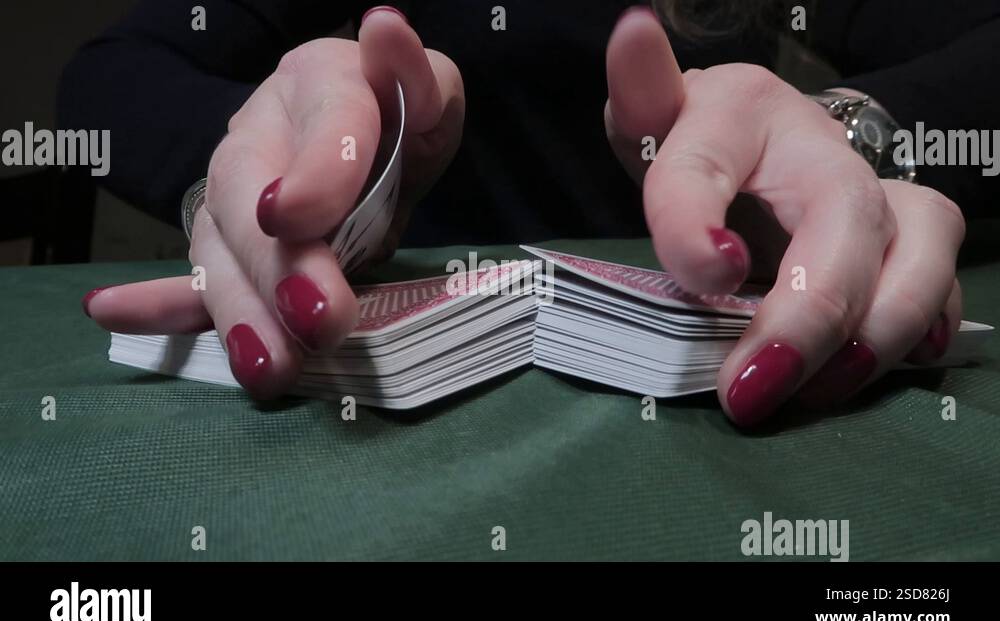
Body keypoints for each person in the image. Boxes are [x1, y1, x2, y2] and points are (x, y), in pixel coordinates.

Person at [63, 1, 1000, 426]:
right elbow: (108, 74)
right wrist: (257, 182)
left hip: (706, 355)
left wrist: (851, 136)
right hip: (392, 377)